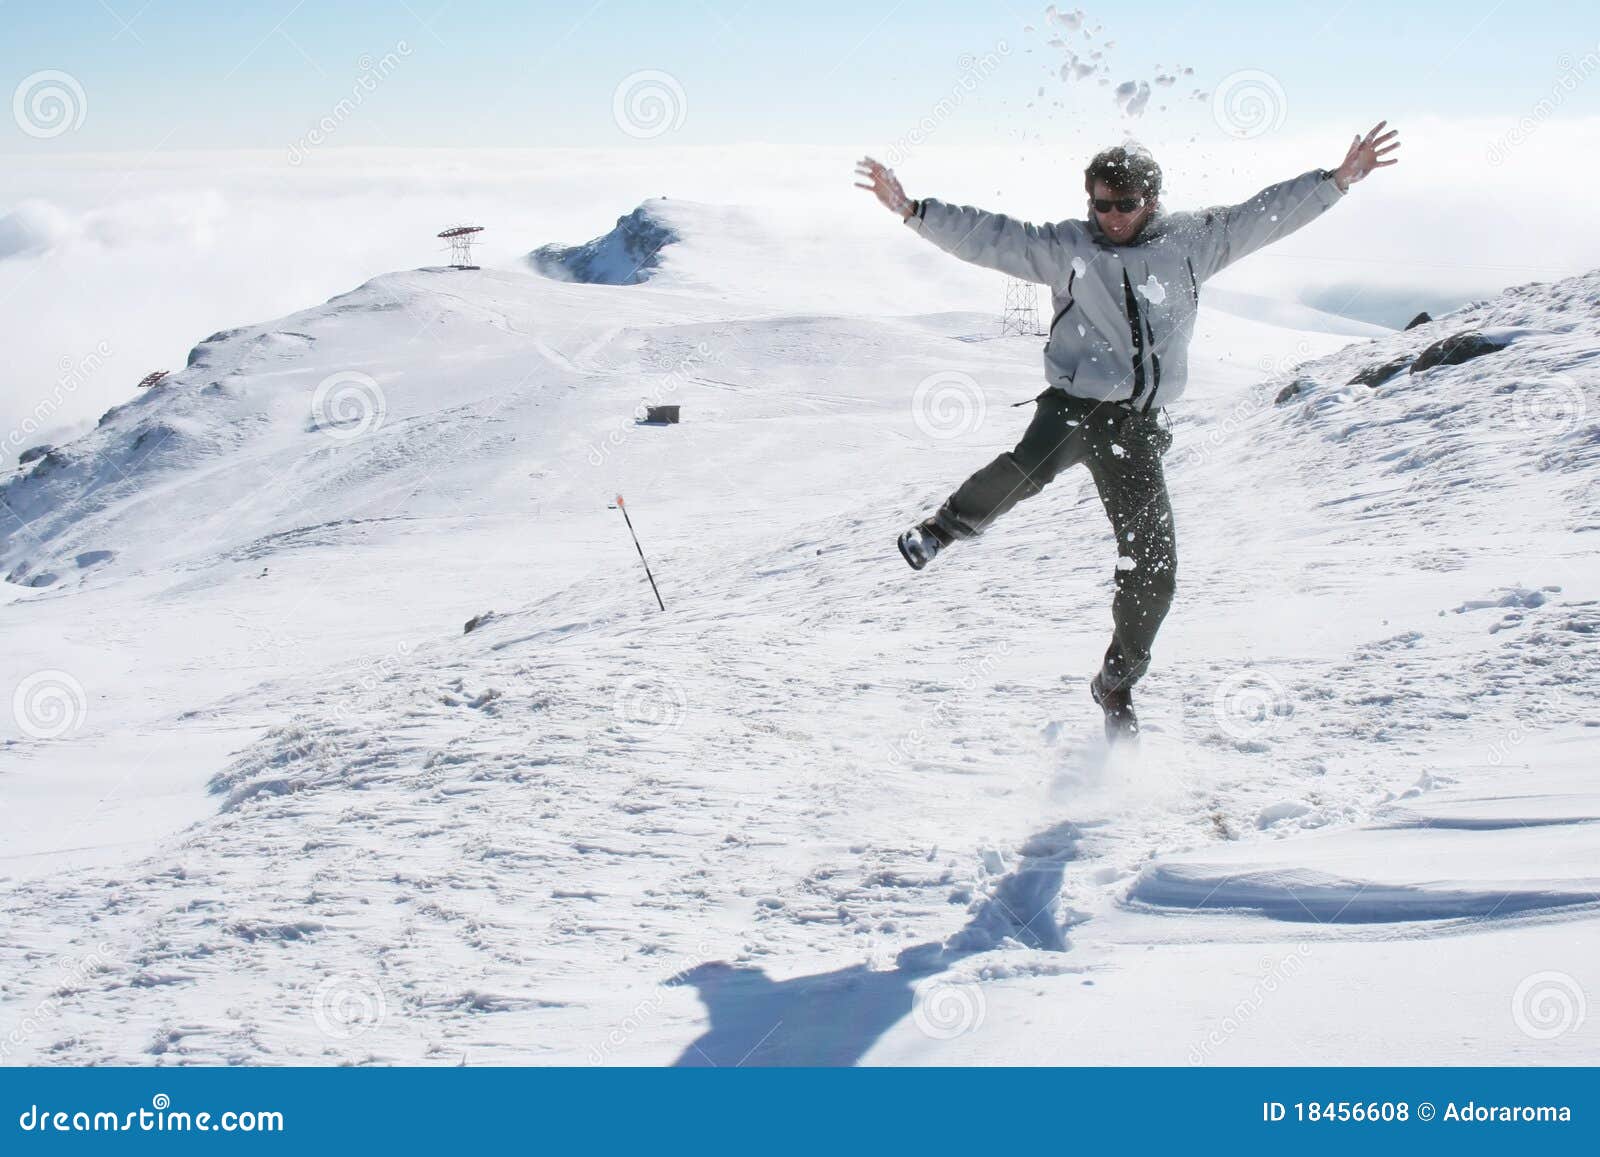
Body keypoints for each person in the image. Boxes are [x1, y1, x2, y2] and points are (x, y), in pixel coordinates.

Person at [853, 124, 1401, 740]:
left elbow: (1264, 215)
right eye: (1099, 204)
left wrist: (1335, 182)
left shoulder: (1193, 241)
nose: (1110, 217)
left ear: (1152, 202)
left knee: (1154, 566)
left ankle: (1117, 680)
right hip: (1072, 408)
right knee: (1025, 469)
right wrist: (913, 211)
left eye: (1124, 205)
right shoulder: (1069, 248)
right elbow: (992, 237)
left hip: (1135, 430)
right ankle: (940, 531)